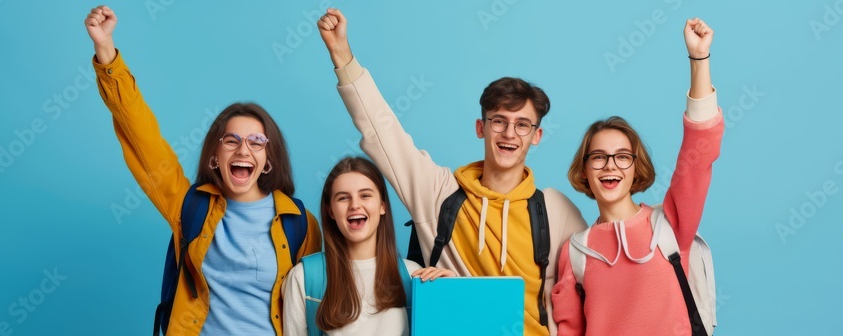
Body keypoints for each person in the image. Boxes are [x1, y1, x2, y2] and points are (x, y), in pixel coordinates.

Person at [315, 8, 587, 335]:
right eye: (499, 120)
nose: (509, 133)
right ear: (480, 128)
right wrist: (342, 55)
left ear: (536, 136)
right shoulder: (440, 193)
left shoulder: (554, 210)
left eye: (523, 125)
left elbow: (593, 288)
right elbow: (383, 132)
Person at [83, 6, 321, 335]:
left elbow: (315, 308)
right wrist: (107, 53)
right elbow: (143, 137)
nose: (243, 149)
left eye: (256, 141)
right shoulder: (189, 205)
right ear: (213, 157)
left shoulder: (300, 223)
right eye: (231, 141)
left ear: (269, 160)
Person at [551, 18, 723, 335]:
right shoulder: (575, 251)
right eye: (598, 157)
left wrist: (699, 59)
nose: (610, 166)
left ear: (636, 167)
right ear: (584, 170)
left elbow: (699, 152)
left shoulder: (670, 224)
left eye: (622, 157)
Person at [282, 157, 455, 335]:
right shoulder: (303, 277)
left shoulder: (414, 277)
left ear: (382, 206)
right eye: (343, 198)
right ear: (330, 211)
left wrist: (450, 295)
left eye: (365, 195)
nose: (355, 205)